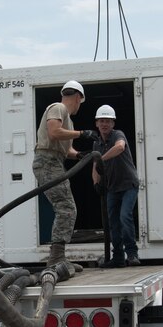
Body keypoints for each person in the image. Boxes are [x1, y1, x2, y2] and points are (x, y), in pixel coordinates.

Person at [33, 80, 94, 266]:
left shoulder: (67, 117)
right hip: (48, 162)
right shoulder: (58, 108)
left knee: (65, 207)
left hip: (54, 161)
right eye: (79, 103)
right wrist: (81, 133)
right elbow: (54, 133)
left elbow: (65, 150)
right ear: (78, 97)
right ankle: (57, 259)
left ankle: (58, 257)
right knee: (66, 208)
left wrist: (80, 155)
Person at [92, 104, 140, 267]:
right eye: (102, 121)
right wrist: (96, 182)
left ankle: (132, 254)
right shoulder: (96, 145)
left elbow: (120, 147)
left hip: (128, 185)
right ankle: (118, 258)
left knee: (124, 216)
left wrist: (101, 159)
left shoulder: (118, 135)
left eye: (108, 121)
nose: (105, 124)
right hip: (112, 188)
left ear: (113, 124)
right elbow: (95, 167)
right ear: (96, 123)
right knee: (112, 223)